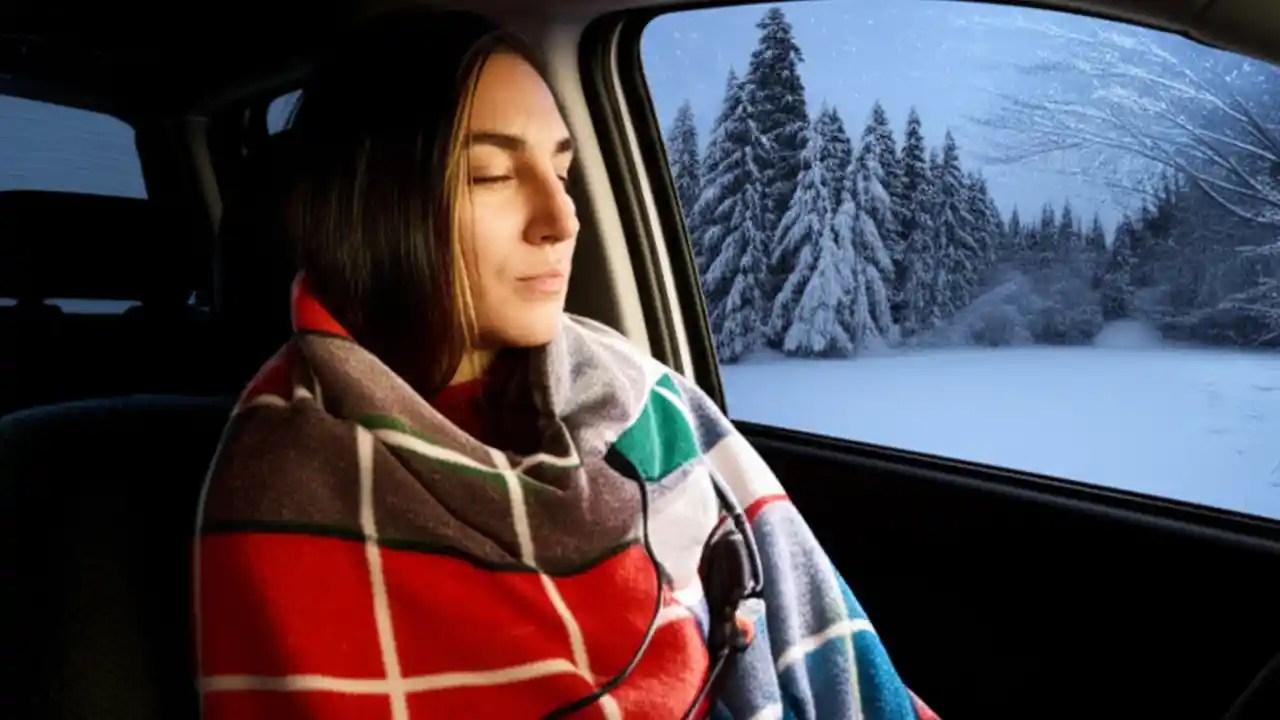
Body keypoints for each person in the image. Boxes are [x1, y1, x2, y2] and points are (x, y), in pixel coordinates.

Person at [193, 9, 939, 720]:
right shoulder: (290, 480)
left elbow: (827, 646)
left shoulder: (634, 393)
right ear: (373, 206)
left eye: (561, 169)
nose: (563, 220)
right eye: (491, 175)